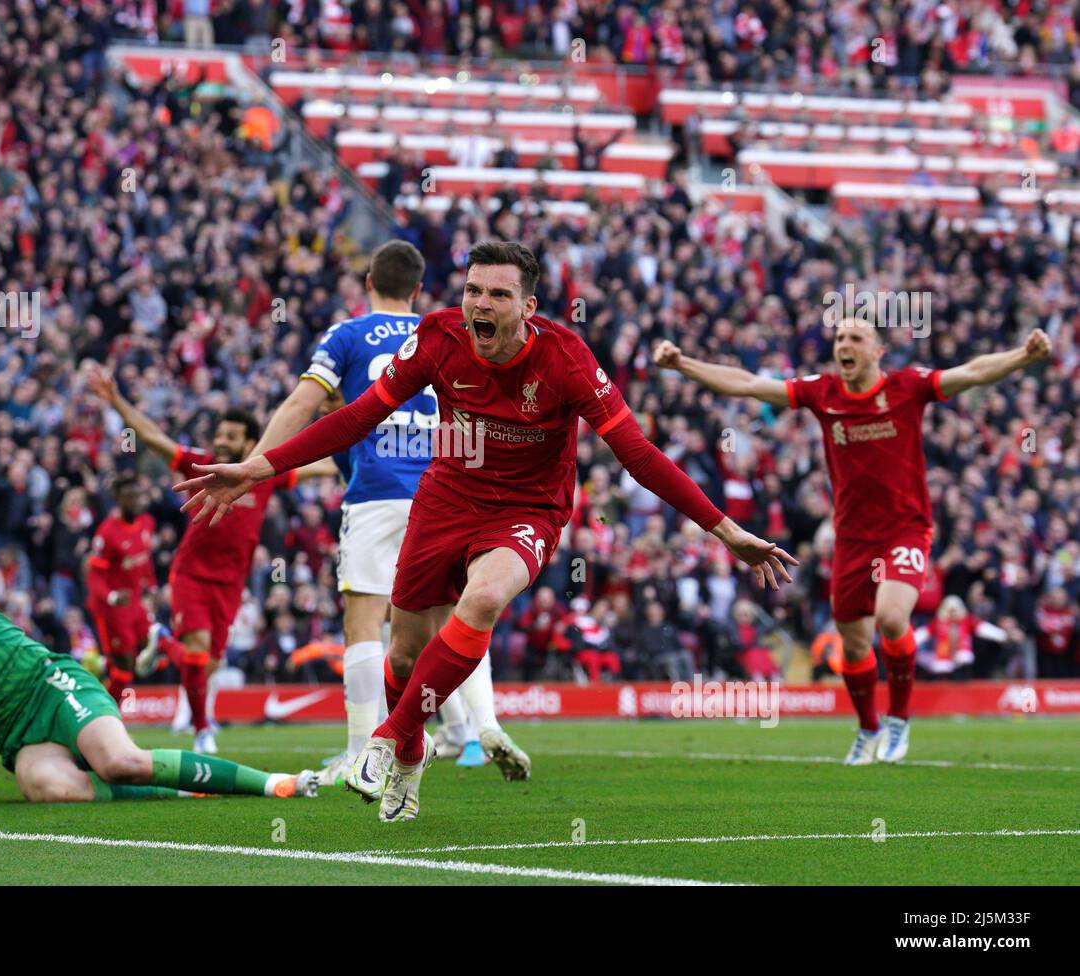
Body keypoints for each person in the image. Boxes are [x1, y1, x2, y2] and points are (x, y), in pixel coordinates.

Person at [175, 241, 796, 822]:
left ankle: (387, 740)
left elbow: (638, 455)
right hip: (445, 498)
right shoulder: (439, 337)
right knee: (402, 651)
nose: (480, 305)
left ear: (527, 307)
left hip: (528, 509)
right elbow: (358, 417)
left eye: (498, 295)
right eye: (473, 291)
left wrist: (725, 530)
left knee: (482, 599)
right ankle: (412, 753)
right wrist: (257, 468)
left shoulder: (565, 358)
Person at [654, 319, 1052, 764]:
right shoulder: (822, 393)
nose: (844, 344)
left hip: (905, 528)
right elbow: (748, 384)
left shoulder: (908, 387)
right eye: (839, 337)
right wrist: (682, 364)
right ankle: (868, 728)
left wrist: (1023, 355)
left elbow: (973, 372)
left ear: (878, 351)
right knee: (855, 645)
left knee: (890, 616)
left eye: (855, 338)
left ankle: (899, 718)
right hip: (851, 538)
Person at [255, 240, 527, 784]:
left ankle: (360, 751)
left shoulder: (347, 334)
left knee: (365, 623)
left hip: (376, 490)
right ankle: (478, 726)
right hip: (444, 495)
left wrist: (252, 465)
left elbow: (304, 404)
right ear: (419, 288)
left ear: (367, 281)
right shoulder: (449, 330)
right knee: (455, 616)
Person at [0, 548, 318, 806]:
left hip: (52, 687)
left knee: (119, 763)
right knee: (52, 788)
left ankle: (273, 784)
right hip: (14, 735)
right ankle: (185, 789)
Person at [85, 366, 335, 754]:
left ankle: (165, 643)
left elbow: (317, 467)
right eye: (219, 434)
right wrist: (117, 401)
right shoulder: (201, 465)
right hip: (192, 575)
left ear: (251, 441)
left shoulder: (262, 474)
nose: (220, 442)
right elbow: (152, 437)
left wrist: (358, 451)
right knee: (199, 652)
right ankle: (203, 731)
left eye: (231, 437)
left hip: (230, 584)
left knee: (208, 665)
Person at [85, 471, 186, 704]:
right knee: (124, 668)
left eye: (139, 496)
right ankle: (107, 718)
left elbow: (145, 560)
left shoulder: (147, 523)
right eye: (131, 498)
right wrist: (111, 597)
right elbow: (94, 576)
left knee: (156, 638)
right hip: (110, 609)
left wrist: (150, 586)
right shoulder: (107, 533)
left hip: (135, 603)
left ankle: (193, 665)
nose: (137, 502)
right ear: (120, 501)